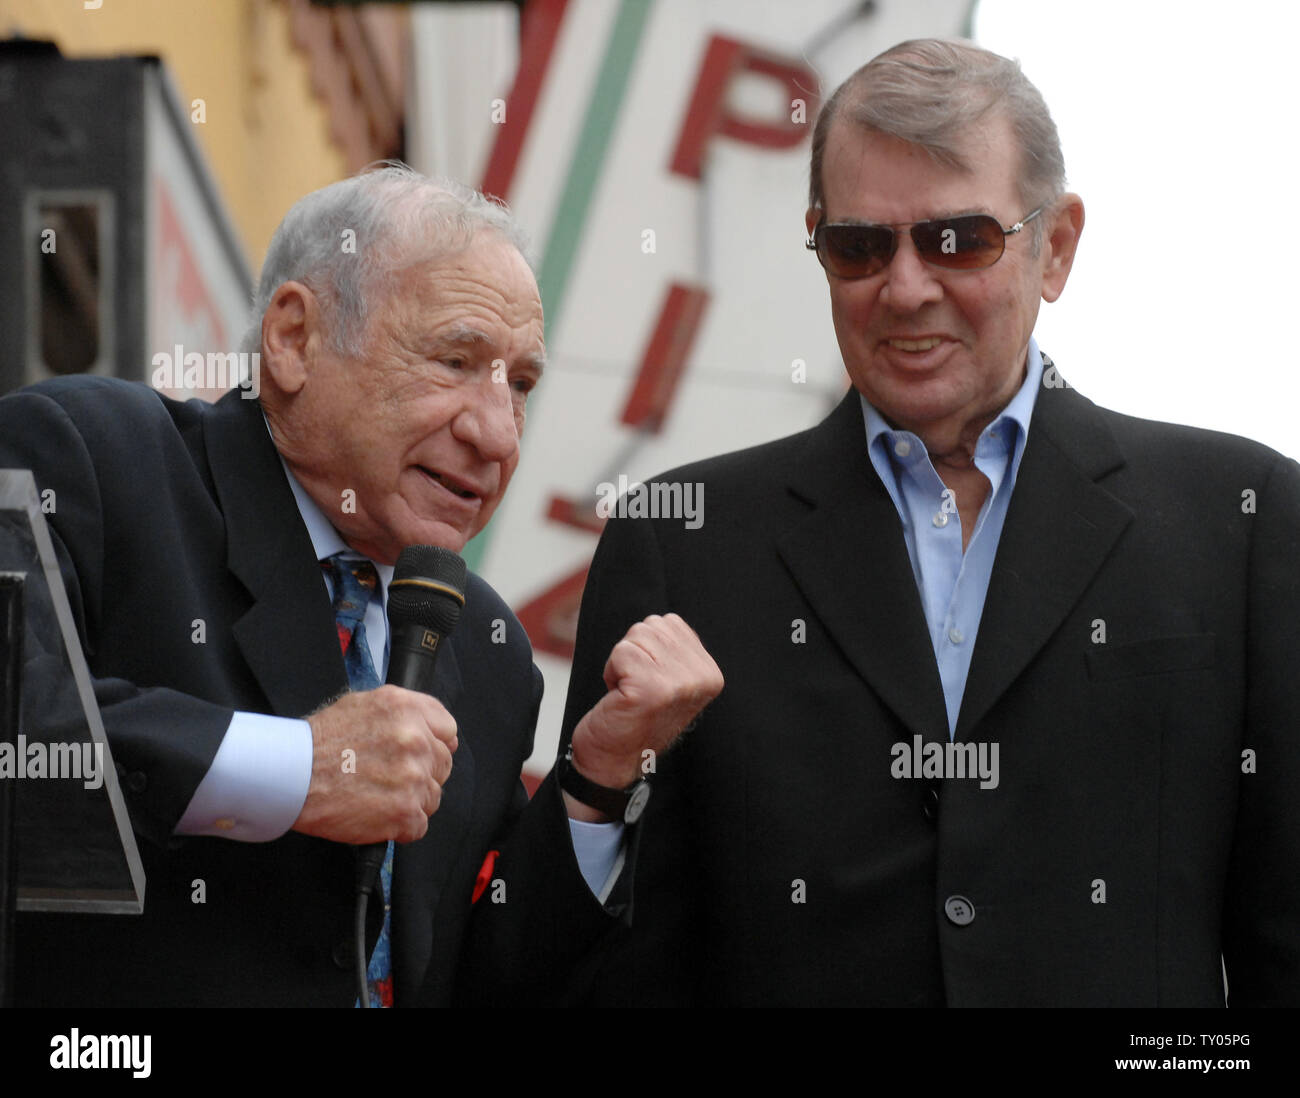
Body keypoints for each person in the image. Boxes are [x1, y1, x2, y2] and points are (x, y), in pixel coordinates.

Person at [549, 39, 1300, 1006]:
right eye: (861, 246)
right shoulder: (681, 543)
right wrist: (593, 792)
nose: (905, 288)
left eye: (958, 240)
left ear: (1056, 247)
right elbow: (597, 971)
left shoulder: (1243, 522)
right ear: (819, 245)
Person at [2, 165, 722, 1006]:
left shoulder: (487, 653)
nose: (497, 435)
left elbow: (485, 979)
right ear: (294, 339)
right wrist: (299, 769)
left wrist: (596, 779)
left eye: (520, 385)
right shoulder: (95, 457)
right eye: (455, 360)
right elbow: (25, 727)